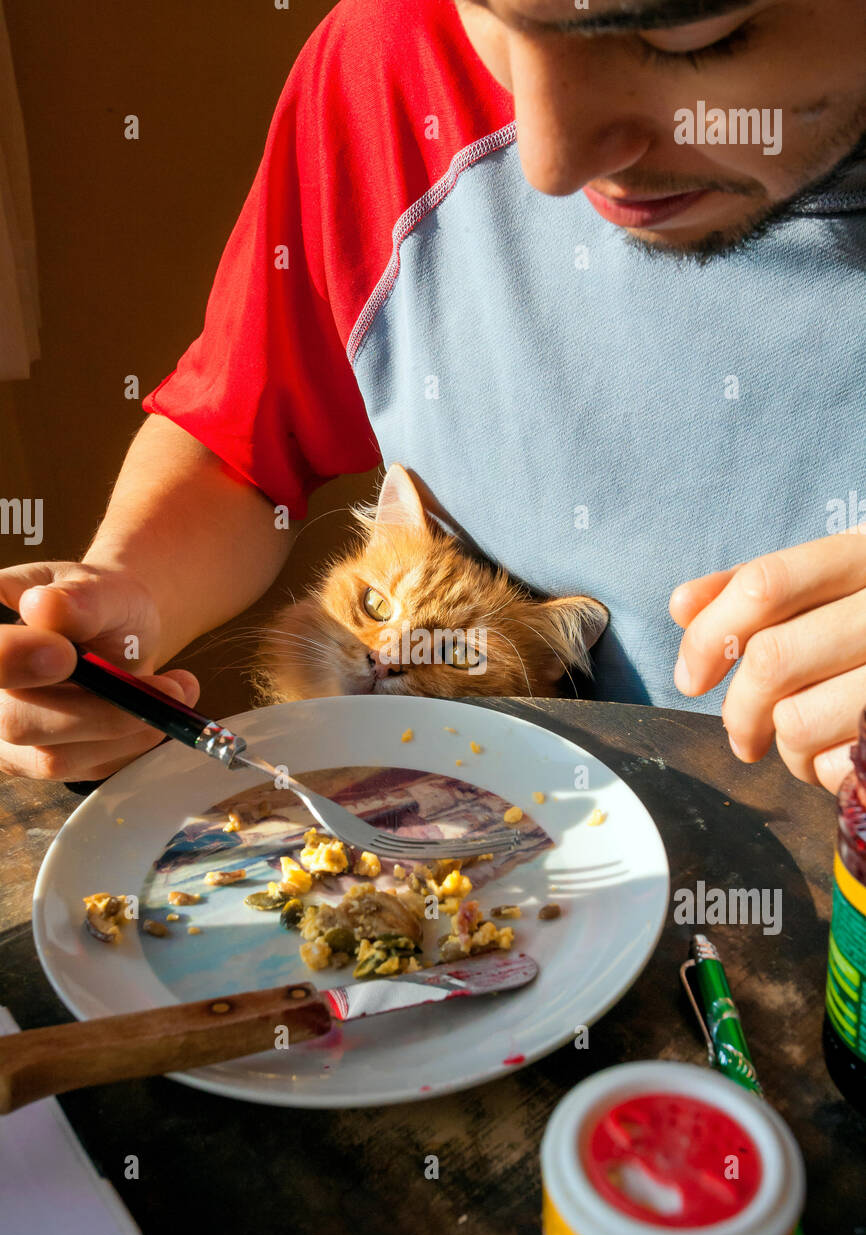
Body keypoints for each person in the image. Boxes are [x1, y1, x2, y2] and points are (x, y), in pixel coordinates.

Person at [1, 0, 864, 790]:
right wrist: (124, 597)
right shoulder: (391, 56)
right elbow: (244, 448)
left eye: (687, 39)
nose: (550, 159)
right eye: (494, 15)